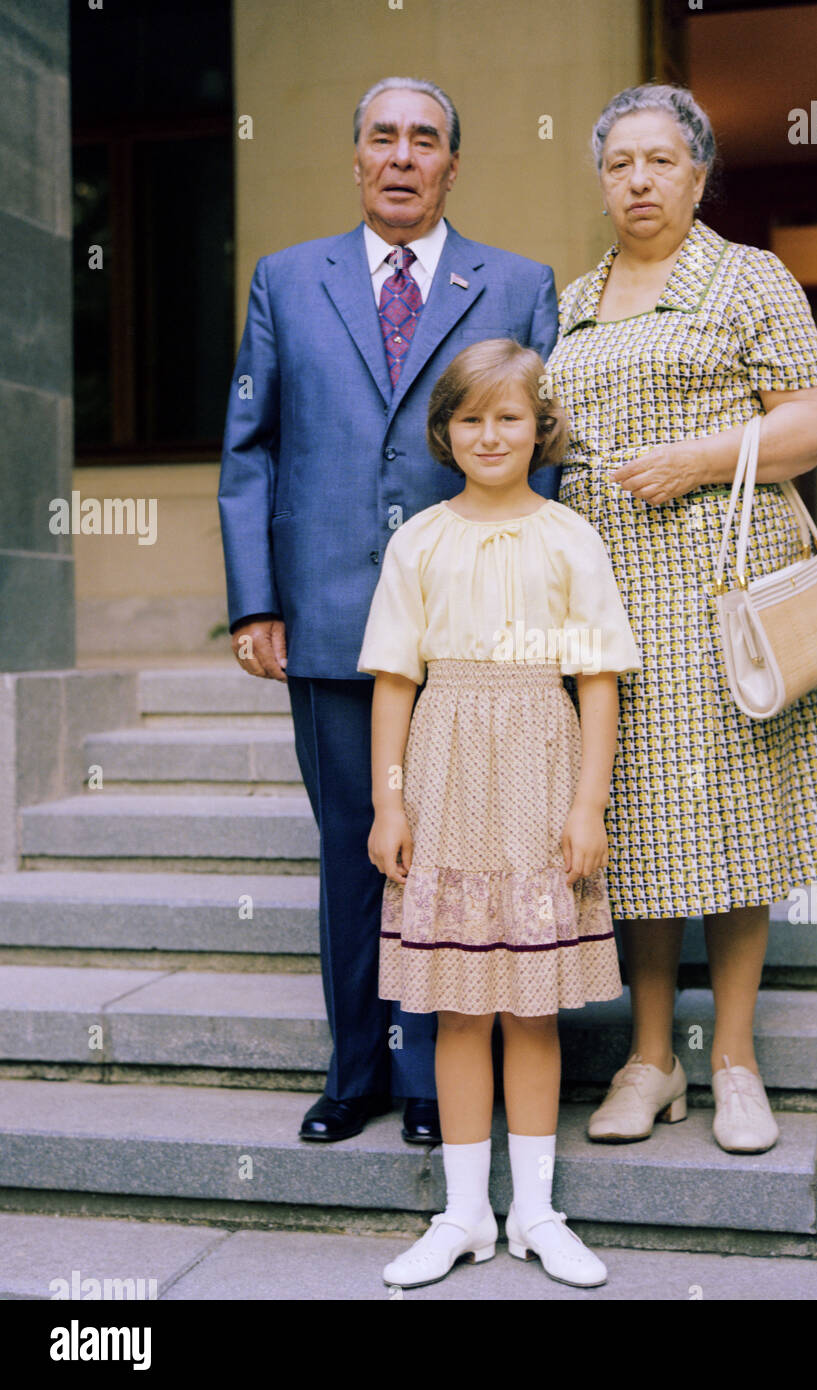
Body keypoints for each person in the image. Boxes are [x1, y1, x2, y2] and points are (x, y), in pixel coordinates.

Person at [217, 77, 560, 1147]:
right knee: (353, 844)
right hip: (323, 615)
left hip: (472, 630)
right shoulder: (285, 278)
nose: (403, 157)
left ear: (453, 164)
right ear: (355, 157)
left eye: (426, 140)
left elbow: (547, 457)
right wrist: (255, 600)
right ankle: (352, 1068)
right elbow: (250, 448)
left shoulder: (517, 281)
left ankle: (430, 1082)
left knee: (446, 846)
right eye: (383, 138)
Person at [545, 84, 817, 1155]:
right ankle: (650, 1060)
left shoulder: (746, 277)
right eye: (618, 164)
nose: (638, 180)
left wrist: (700, 457)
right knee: (635, 829)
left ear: (697, 175)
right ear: (601, 181)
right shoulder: (573, 299)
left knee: (735, 823)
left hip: (723, 590)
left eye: (660, 162)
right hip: (608, 597)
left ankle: (732, 1059)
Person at [359, 339, 641, 1289]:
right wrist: (386, 805)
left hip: (538, 770)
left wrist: (587, 804)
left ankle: (536, 1211)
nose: (490, 434)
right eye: (471, 418)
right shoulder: (419, 540)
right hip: (443, 775)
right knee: (458, 1010)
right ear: (446, 431)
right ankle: (464, 1215)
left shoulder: (570, 536)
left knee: (530, 1007)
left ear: (539, 429)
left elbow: (597, 678)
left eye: (509, 418)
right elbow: (395, 681)